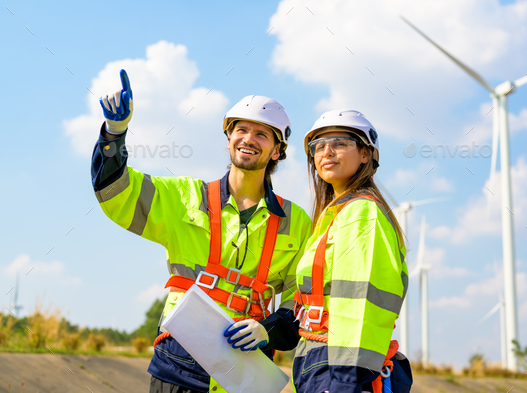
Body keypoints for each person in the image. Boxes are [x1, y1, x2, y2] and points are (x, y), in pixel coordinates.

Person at [91, 69, 311, 393]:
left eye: (262, 134)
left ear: (277, 150)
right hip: (178, 366)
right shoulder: (184, 197)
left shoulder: (298, 222)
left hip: (246, 372)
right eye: (241, 130)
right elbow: (116, 192)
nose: (248, 139)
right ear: (228, 138)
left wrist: (269, 330)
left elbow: (303, 301)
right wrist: (114, 133)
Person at [291, 109, 413, 393]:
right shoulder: (336, 214)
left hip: (339, 366)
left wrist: (345, 381)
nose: (327, 152)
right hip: (318, 359)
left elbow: (361, 305)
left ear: (365, 154)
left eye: (339, 143)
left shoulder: (362, 213)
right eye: (318, 147)